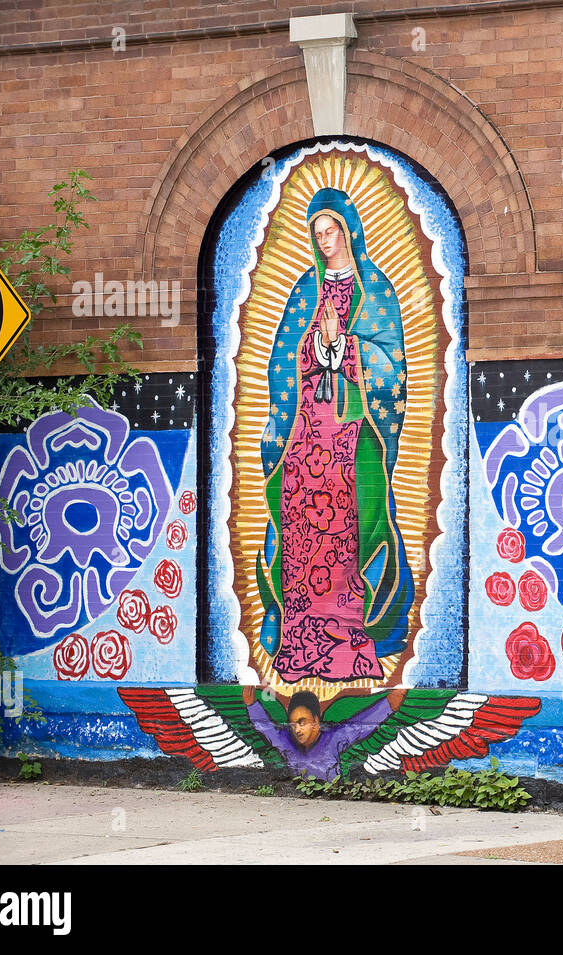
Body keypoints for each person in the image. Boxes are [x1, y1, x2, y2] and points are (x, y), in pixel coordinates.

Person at [258, 187, 414, 683]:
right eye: (318, 235)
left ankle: (352, 633)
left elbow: (391, 370)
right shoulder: (307, 288)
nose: (325, 243)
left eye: (333, 232)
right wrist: (315, 346)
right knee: (302, 525)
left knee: (353, 525)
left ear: (349, 232)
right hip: (307, 433)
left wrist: (342, 346)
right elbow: (281, 358)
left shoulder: (377, 289)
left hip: (353, 432)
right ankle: (299, 633)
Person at [241, 684, 406, 780]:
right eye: (293, 724)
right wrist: (251, 704)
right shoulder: (285, 740)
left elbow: (361, 725)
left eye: (302, 722)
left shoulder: (334, 738)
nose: (297, 729)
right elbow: (266, 728)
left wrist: (389, 705)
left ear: (316, 722)